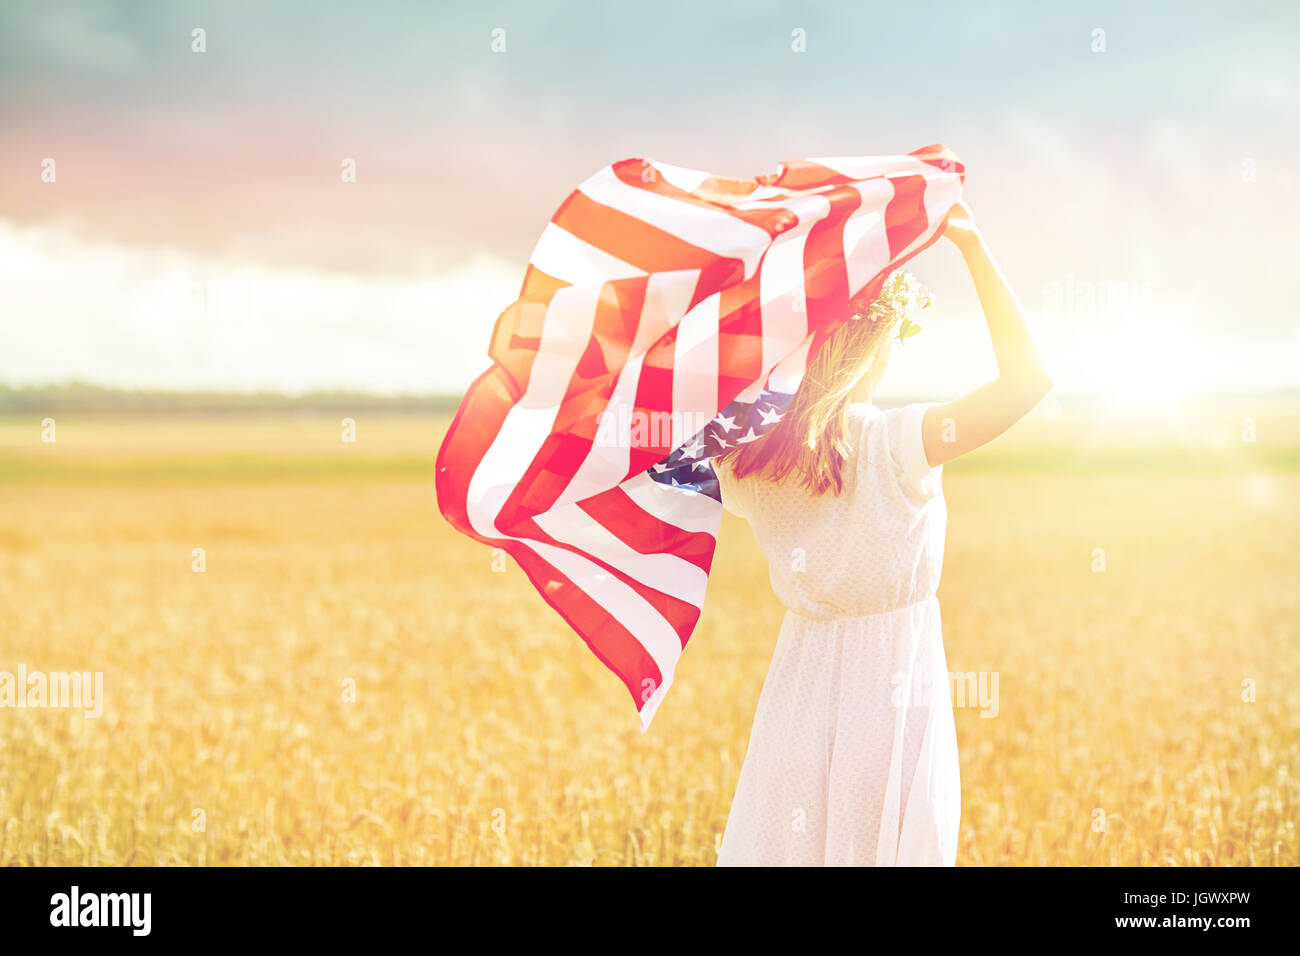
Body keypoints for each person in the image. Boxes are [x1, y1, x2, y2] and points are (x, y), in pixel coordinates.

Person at [712, 200, 1052, 866]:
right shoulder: (901, 445)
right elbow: (1029, 380)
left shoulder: (749, 461)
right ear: (878, 339)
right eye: (900, 332)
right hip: (893, 711)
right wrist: (973, 248)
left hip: (797, 704)